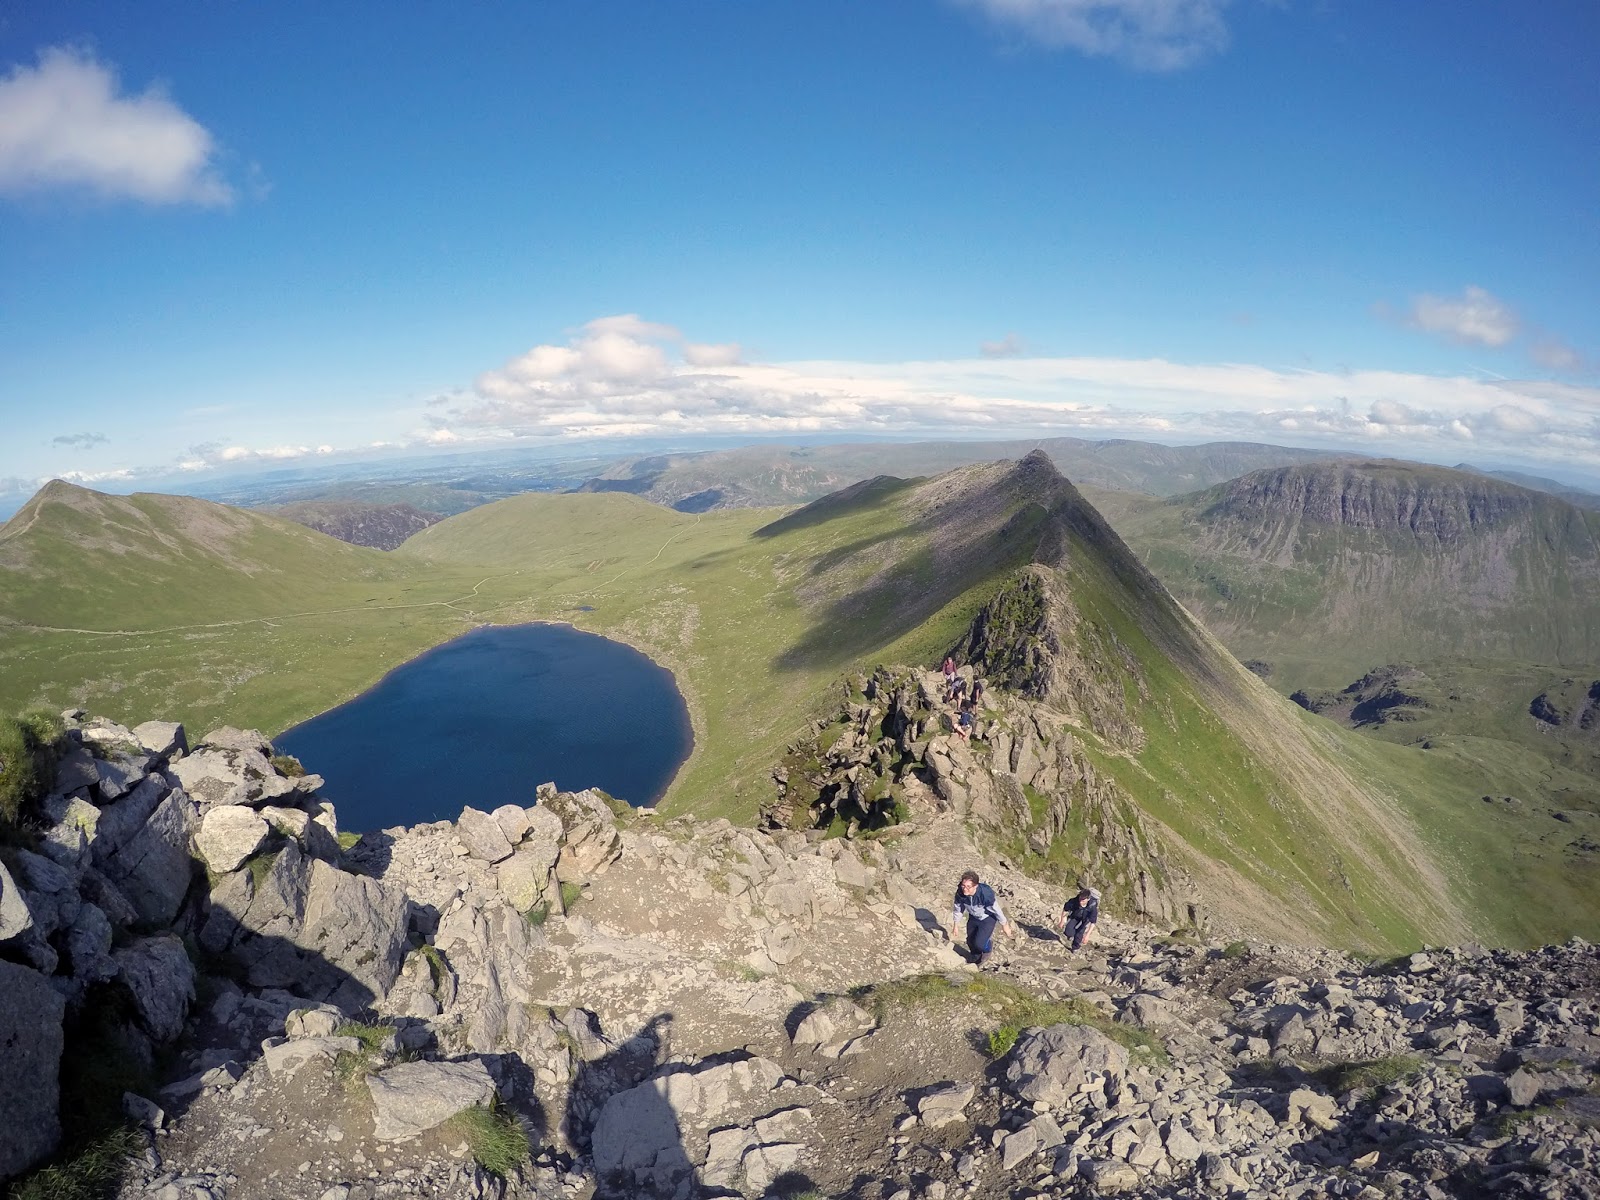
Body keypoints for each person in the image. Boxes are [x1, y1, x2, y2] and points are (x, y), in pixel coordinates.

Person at [949, 869, 1013, 966]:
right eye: (963, 885)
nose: (965, 889)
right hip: (973, 917)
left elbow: (996, 909)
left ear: (976, 886)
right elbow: (958, 909)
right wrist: (956, 925)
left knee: (979, 944)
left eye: (968, 886)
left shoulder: (984, 894)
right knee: (970, 941)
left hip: (987, 918)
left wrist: (1005, 924)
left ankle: (987, 948)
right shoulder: (960, 893)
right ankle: (975, 958)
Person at [1057, 884, 1100, 951]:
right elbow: (1065, 909)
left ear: (1088, 899)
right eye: (1080, 898)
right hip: (1075, 916)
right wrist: (1062, 921)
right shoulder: (1074, 901)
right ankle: (1070, 936)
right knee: (1068, 932)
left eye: (1083, 900)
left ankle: (1075, 949)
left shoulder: (1092, 907)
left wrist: (1087, 935)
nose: (1080, 901)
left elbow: (1093, 922)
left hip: (1085, 920)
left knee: (1079, 935)